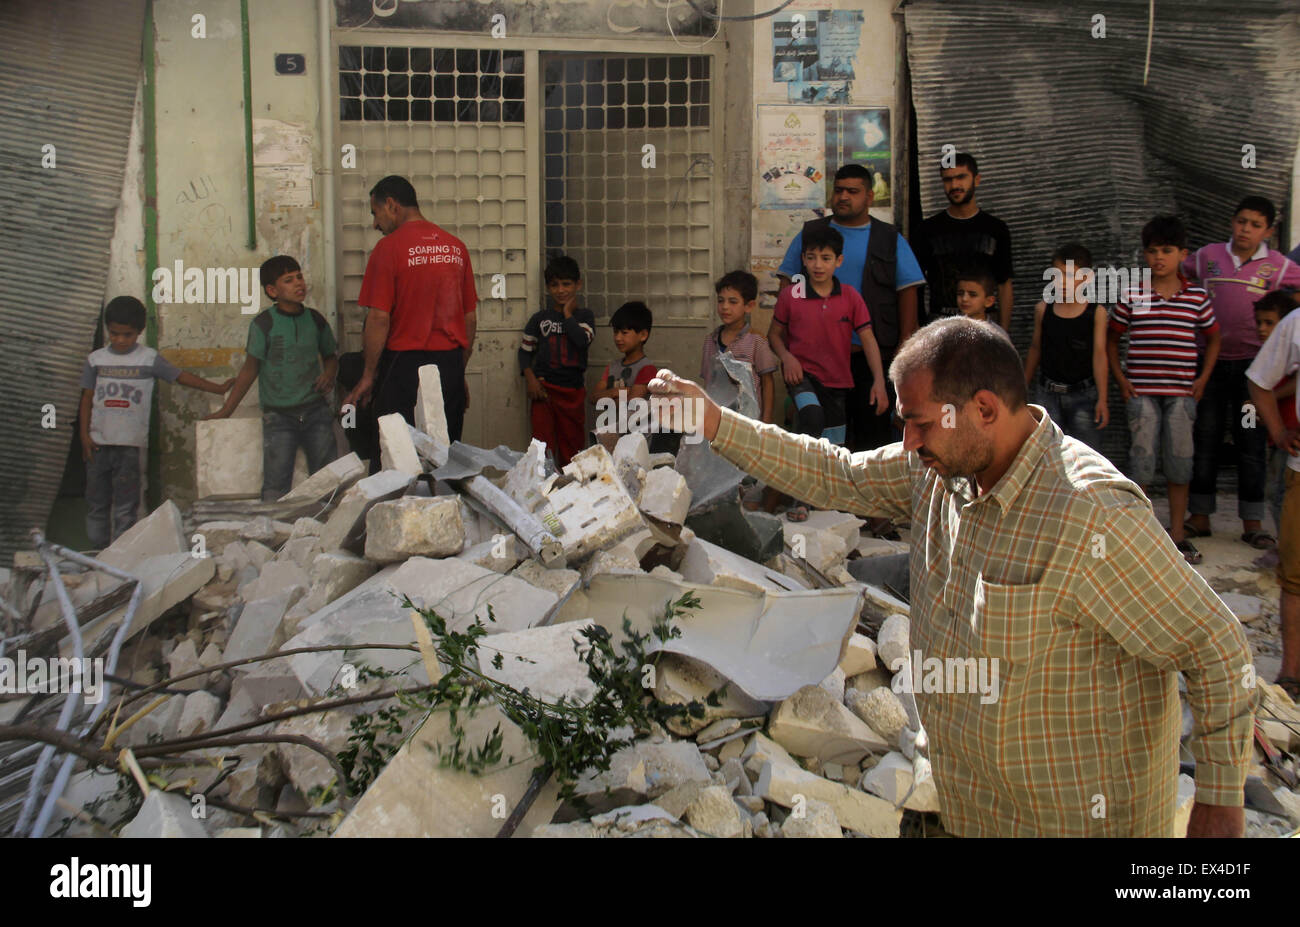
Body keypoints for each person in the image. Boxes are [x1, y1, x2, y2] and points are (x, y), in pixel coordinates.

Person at [648, 317, 1255, 838]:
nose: (908, 442)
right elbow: (835, 473)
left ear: (984, 409)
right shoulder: (941, 471)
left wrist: (1220, 803)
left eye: (918, 423)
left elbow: (1216, 649)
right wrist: (717, 423)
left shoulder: (1089, 515)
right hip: (975, 809)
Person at [777, 164, 924, 455]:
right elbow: (786, 288)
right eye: (839, 190)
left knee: (873, 437)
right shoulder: (812, 234)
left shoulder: (890, 238)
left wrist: (903, 352)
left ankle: (867, 499)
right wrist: (789, 352)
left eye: (852, 191)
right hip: (815, 362)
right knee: (819, 436)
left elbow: (908, 294)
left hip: (869, 359)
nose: (843, 197)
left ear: (869, 197)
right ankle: (815, 498)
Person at [1182, 196, 1300, 549]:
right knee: (1206, 439)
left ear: (1268, 230)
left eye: (1255, 224)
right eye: (1241, 221)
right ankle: (1199, 517)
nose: (1245, 229)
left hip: (1255, 371)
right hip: (1212, 366)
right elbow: (1178, 275)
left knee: (1250, 442)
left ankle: (1252, 522)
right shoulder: (1206, 257)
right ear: (1232, 222)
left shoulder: (1278, 266)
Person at [341, 175, 477, 468]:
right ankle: (442, 509)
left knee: (395, 450)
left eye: (375, 213)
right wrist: (458, 370)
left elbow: (378, 319)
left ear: (391, 205)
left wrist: (368, 376)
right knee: (444, 452)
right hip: (448, 364)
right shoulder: (456, 248)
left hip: (403, 366)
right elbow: (469, 318)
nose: (375, 224)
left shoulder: (388, 249)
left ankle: (393, 510)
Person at [1107, 216, 1219, 564]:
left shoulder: (1197, 296)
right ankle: (1143, 535)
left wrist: (1202, 379)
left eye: (1167, 251)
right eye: (1152, 251)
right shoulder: (1134, 293)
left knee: (1180, 462)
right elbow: (1113, 338)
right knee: (1142, 464)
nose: (1159, 258)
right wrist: (1121, 380)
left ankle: (1178, 536)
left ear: (1183, 253)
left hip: (1182, 394)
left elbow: (1214, 339)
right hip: (1141, 392)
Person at [80, 296, 232, 547]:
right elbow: (86, 398)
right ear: (107, 329)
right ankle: (95, 555)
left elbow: (181, 377)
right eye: (114, 334)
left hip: (130, 447)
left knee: (126, 507)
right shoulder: (95, 360)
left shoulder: (148, 359)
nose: (119, 340)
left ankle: (120, 557)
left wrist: (218, 389)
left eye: (126, 335)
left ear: (139, 332)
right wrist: (85, 436)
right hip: (98, 445)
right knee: (97, 503)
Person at [770, 224, 886, 521]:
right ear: (803, 260)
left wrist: (879, 382)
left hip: (838, 382)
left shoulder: (850, 297)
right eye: (811, 257)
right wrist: (787, 358)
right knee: (811, 418)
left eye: (825, 258)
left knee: (831, 448)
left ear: (839, 261)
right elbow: (774, 334)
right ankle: (799, 499)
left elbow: (869, 339)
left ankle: (822, 501)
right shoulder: (791, 295)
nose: (817, 265)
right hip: (802, 376)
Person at [204, 256, 340, 500]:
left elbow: (331, 357)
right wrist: (226, 410)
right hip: (278, 417)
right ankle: (273, 534)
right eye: (289, 280)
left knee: (327, 482)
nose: (299, 283)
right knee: (276, 486)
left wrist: (329, 373)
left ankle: (329, 532)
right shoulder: (264, 324)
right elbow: (249, 369)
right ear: (272, 290)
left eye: (299, 276)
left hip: (316, 412)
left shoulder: (316, 320)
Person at [1246, 293, 1300, 701]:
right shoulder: (1296, 323)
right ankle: (1291, 674)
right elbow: (1260, 380)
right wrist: (1279, 432)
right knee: (1295, 577)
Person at [912, 152, 1014, 330]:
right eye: (948, 180)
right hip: (940, 326)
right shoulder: (927, 230)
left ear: (977, 179)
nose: (954, 185)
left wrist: (1003, 332)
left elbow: (1004, 284)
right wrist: (917, 327)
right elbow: (914, 285)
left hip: (983, 326)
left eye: (961, 177)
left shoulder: (996, 229)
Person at [1024, 243, 1110, 451]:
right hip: (1047, 394)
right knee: (1046, 454)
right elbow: (1036, 348)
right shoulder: (1043, 309)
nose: (1062, 281)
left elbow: (1099, 354)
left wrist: (1103, 398)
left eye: (1070, 275)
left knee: (1085, 455)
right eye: (1057, 274)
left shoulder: (1096, 312)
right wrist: (1022, 386)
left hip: (1083, 396)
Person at [519, 255, 595, 468]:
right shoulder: (539, 319)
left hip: (572, 392)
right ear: (548, 287)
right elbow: (524, 353)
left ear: (577, 284)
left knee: (572, 445)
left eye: (566, 284)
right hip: (543, 391)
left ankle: (571, 488)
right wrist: (531, 379)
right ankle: (544, 489)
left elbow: (582, 341)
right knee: (542, 445)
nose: (561, 290)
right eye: (554, 285)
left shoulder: (585, 317)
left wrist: (568, 315)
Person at [1251, 291, 1299, 541]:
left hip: (1289, 433)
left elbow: (1292, 383)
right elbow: (1255, 394)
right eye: (1258, 322)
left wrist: (1271, 397)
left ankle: (1286, 548)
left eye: (1269, 323)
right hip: (1275, 433)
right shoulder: (1264, 355)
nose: (1262, 329)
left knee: (1281, 494)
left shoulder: (1289, 348)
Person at [700, 271, 777, 424]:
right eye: (721, 301)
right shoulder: (710, 341)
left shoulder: (757, 341)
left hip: (748, 419)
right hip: (717, 419)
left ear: (749, 306)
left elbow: (767, 383)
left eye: (733, 302)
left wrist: (766, 421)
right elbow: (708, 383)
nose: (725, 307)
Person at [590, 301, 658, 450]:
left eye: (624, 333)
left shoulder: (647, 369)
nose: (618, 338)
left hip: (636, 442)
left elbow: (632, 404)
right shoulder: (613, 366)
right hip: (609, 437)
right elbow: (594, 397)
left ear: (643, 335)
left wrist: (607, 396)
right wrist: (618, 392)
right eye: (616, 332)